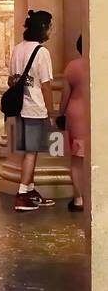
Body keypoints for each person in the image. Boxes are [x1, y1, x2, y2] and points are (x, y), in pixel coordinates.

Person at [8, 10, 57, 212]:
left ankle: (30, 189)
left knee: (28, 151)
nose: (52, 30)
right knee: (32, 152)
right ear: (43, 28)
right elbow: (46, 85)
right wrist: (51, 112)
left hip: (20, 107)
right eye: (51, 26)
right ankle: (22, 194)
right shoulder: (42, 52)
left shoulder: (17, 49)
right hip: (36, 108)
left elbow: (11, 80)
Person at [62, 36, 88, 212]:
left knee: (77, 159)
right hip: (97, 111)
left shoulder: (72, 67)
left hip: (76, 113)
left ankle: (78, 198)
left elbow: (65, 95)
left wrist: (60, 113)